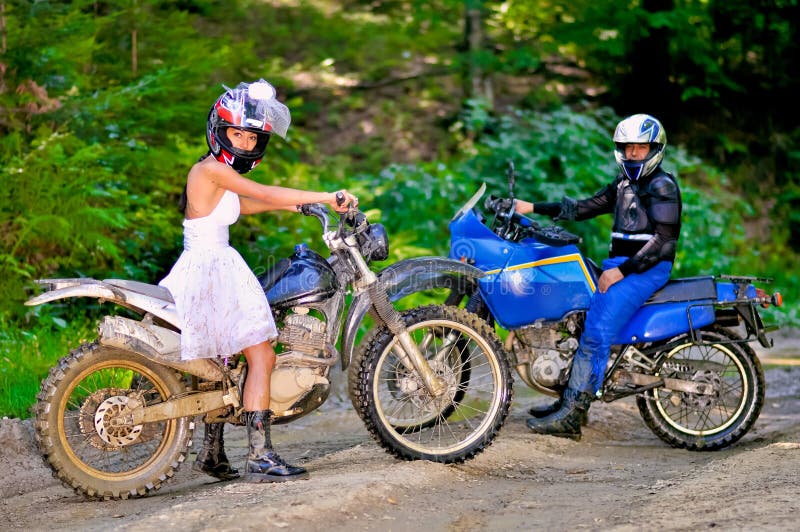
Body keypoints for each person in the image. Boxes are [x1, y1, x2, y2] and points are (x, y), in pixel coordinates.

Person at [159, 79, 358, 482]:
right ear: (219, 131)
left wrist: (297, 207)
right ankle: (260, 456)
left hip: (209, 265)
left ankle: (212, 454)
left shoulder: (212, 173)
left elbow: (243, 205)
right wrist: (324, 196)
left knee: (222, 361)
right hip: (213, 269)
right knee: (262, 356)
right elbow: (264, 192)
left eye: (252, 138)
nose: (246, 144)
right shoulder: (211, 169)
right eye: (238, 135)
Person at [514, 114, 681, 441]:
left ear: (654, 149)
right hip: (619, 263)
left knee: (596, 332)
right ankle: (569, 398)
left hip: (645, 269)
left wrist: (620, 271)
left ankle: (572, 416)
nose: (633, 153)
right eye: (628, 147)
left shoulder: (662, 186)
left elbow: (664, 241)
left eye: (640, 147)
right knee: (577, 319)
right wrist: (531, 206)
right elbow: (583, 208)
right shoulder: (622, 184)